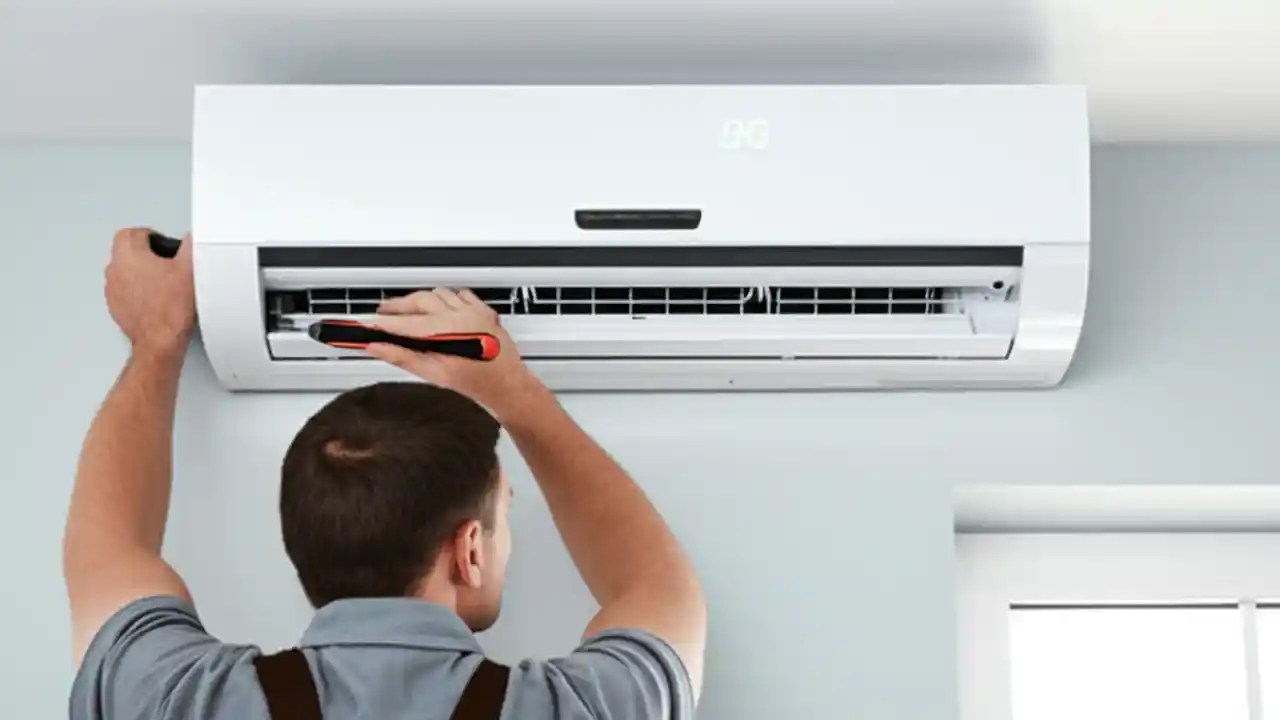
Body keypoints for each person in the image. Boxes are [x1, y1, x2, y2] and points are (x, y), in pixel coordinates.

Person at [63, 228, 706, 719]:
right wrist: (516, 394)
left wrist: (157, 338)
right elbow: (660, 590)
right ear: (470, 549)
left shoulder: (179, 700)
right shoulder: (581, 710)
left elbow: (108, 551)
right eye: (503, 512)